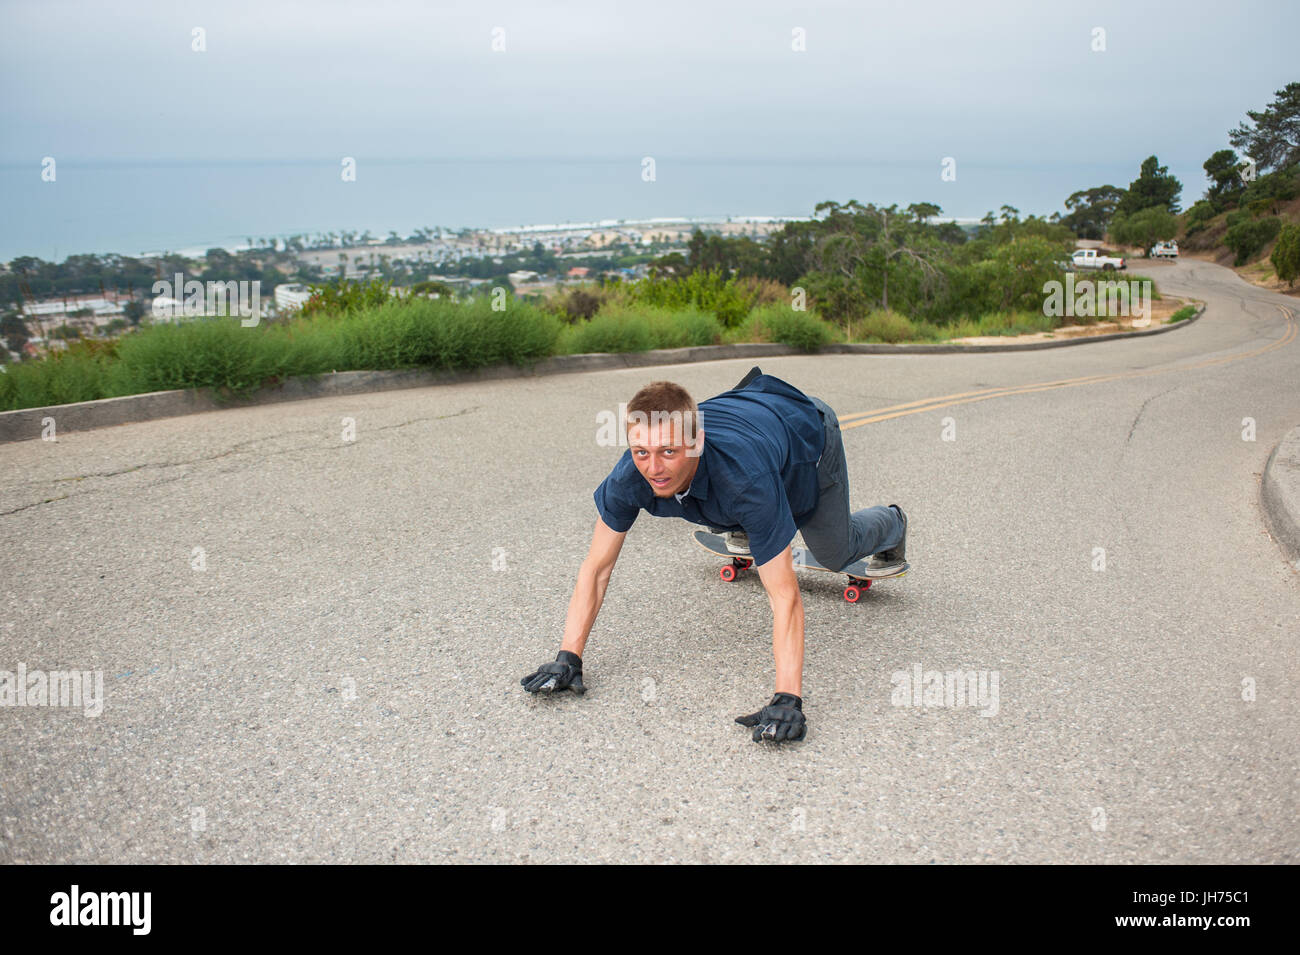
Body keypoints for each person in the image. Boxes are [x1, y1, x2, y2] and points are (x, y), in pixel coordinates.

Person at [519, 366, 908, 744]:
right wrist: (567, 656)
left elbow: (785, 597)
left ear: (696, 442)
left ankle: (893, 523)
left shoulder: (746, 482)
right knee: (721, 498)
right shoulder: (632, 475)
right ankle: (745, 525)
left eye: (668, 451)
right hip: (749, 424)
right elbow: (597, 568)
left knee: (833, 552)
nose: (653, 469)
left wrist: (788, 697)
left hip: (805, 430)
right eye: (641, 451)